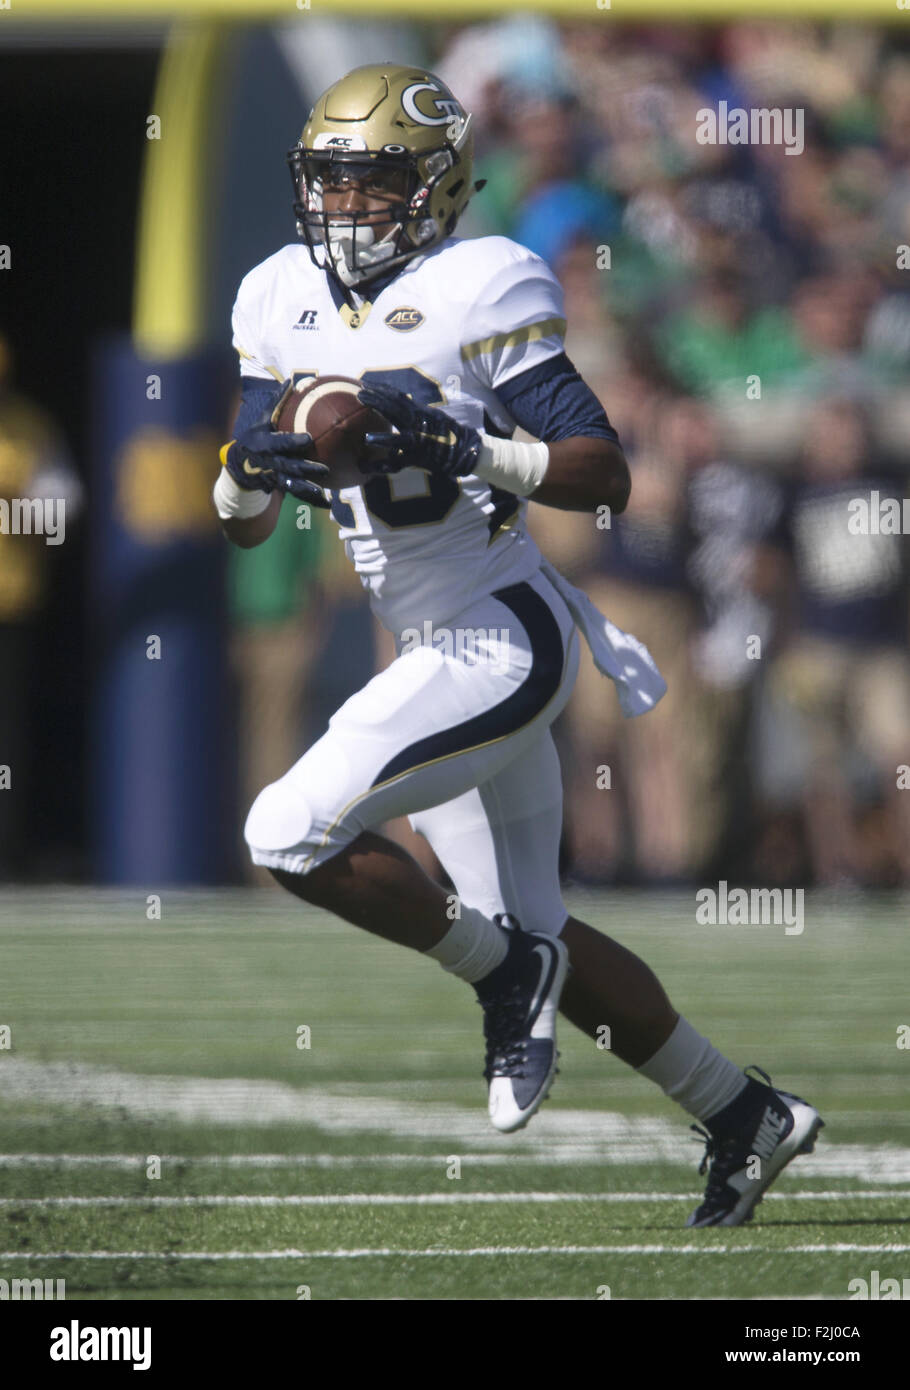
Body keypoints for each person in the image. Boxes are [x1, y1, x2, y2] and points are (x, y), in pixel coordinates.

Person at [212, 63, 822, 1227]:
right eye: (328, 183)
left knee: (283, 830)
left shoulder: (482, 281)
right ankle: (742, 1111)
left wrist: (462, 446)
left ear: (435, 187)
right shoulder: (273, 292)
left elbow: (602, 470)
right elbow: (243, 517)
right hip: (426, 644)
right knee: (540, 931)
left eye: (372, 184)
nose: (344, 209)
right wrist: (243, 472)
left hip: (504, 636)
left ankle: (498, 975)